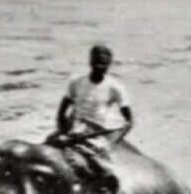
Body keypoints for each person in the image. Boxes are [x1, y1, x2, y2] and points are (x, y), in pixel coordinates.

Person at [53, 44, 134, 184]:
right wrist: (62, 133)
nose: (99, 65)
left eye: (103, 62)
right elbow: (62, 112)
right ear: (90, 61)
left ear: (109, 64)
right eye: (96, 61)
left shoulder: (116, 87)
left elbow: (129, 121)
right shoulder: (76, 82)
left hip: (95, 136)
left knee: (97, 170)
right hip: (72, 132)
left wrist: (111, 141)